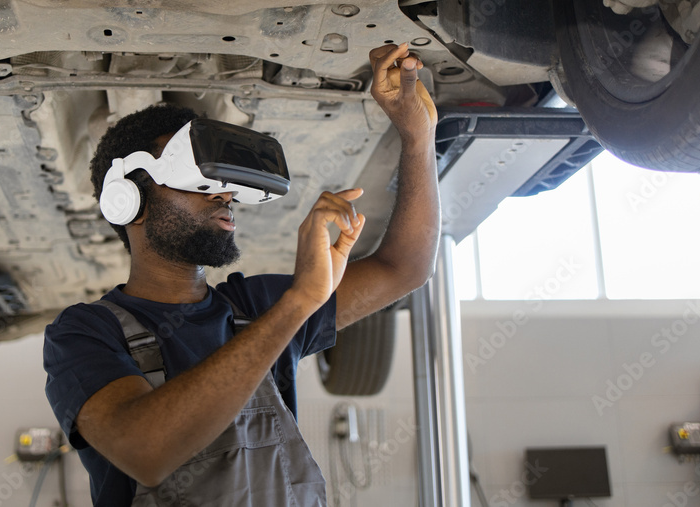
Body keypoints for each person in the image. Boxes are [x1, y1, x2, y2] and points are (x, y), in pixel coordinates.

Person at [43, 42, 441, 506]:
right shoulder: (85, 333)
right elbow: (145, 450)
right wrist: (298, 303)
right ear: (127, 198)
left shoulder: (252, 308)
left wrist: (417, 137)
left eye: (226, 181)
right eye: (197, 179)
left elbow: (405, 268)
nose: (225, 195)